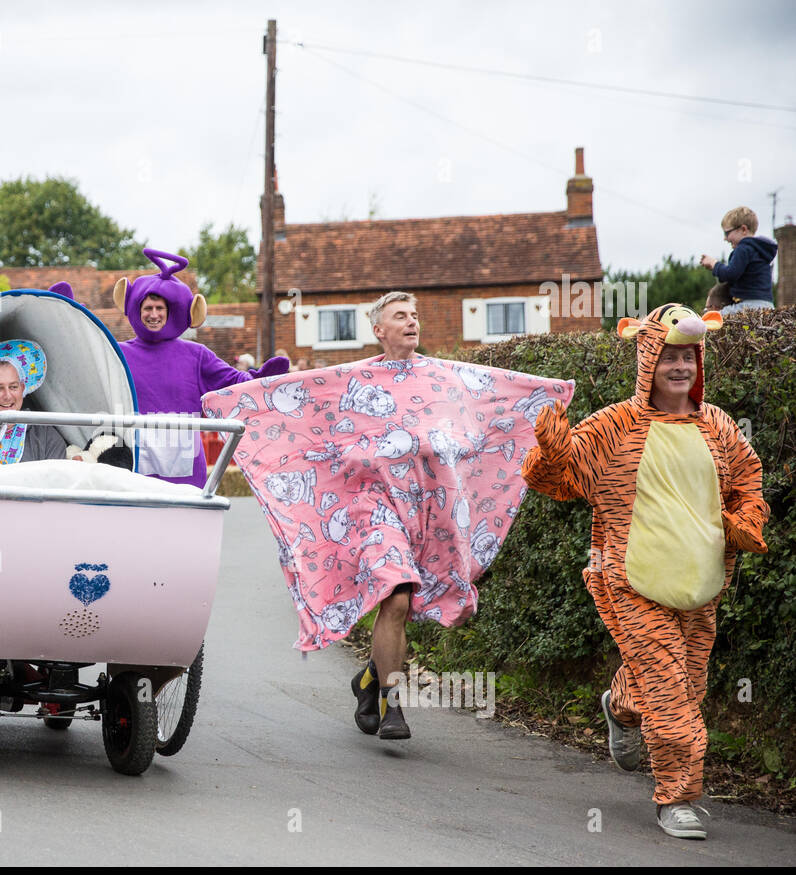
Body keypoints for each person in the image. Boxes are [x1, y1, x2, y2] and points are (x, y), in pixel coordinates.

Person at [202, 291, 574, 740]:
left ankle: (367, 680)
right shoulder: (352, 380)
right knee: (397, 595)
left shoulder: (445, 378)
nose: (411, 322)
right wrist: (229, 404)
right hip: (372, 509)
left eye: (415, 315)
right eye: (400, 316)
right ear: (379, 330)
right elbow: (296, 404)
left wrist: (550, 396)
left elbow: (492, 403)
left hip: (428, 509)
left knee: (408, 602)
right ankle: (393, 703)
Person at [523, 303, 767, 840]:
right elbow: (560, 478)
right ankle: (678, 798)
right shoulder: (614, 425)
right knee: (671, 694)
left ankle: (622, 705)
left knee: (686, 684)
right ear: (647, 358)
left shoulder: (720, 426)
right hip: (632, 582)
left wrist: (747, 518)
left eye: (688, 357)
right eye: (669, 356)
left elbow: (748, 480)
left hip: (701, 585)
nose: (679, 367)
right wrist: (551, 450)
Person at [116, 248, 289, 487]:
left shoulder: (196, 355)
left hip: (183, 469)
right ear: (137, 310)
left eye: (159, 309)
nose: (153, 314)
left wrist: (261, 380)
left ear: (170, 313)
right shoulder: (117, 352)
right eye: (148, 308)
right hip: (134, 465)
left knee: (185, 522)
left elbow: (232, 383)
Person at [699, 206, 777, 315]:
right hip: (767, 306)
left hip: (751, 307)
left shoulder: (744, 248)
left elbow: (730, 274)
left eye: (727, 233)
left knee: (713, 317)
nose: (725, 238)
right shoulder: (758, 251)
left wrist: (714, 264)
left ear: (743, 229)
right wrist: (715, 269)